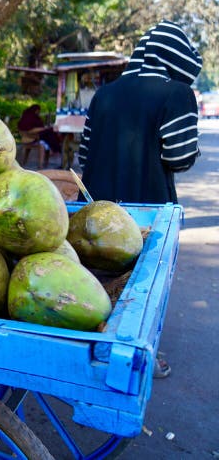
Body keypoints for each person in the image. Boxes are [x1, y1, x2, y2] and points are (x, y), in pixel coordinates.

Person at [78, 19, 203, 378]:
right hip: (149, 212)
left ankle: (92, 346)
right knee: (143, 292)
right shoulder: (175, 94)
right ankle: (139, 358)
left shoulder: (105, 94)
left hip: (97, 211)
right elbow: (179, 157)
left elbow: (84, 156)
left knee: (99, 281)